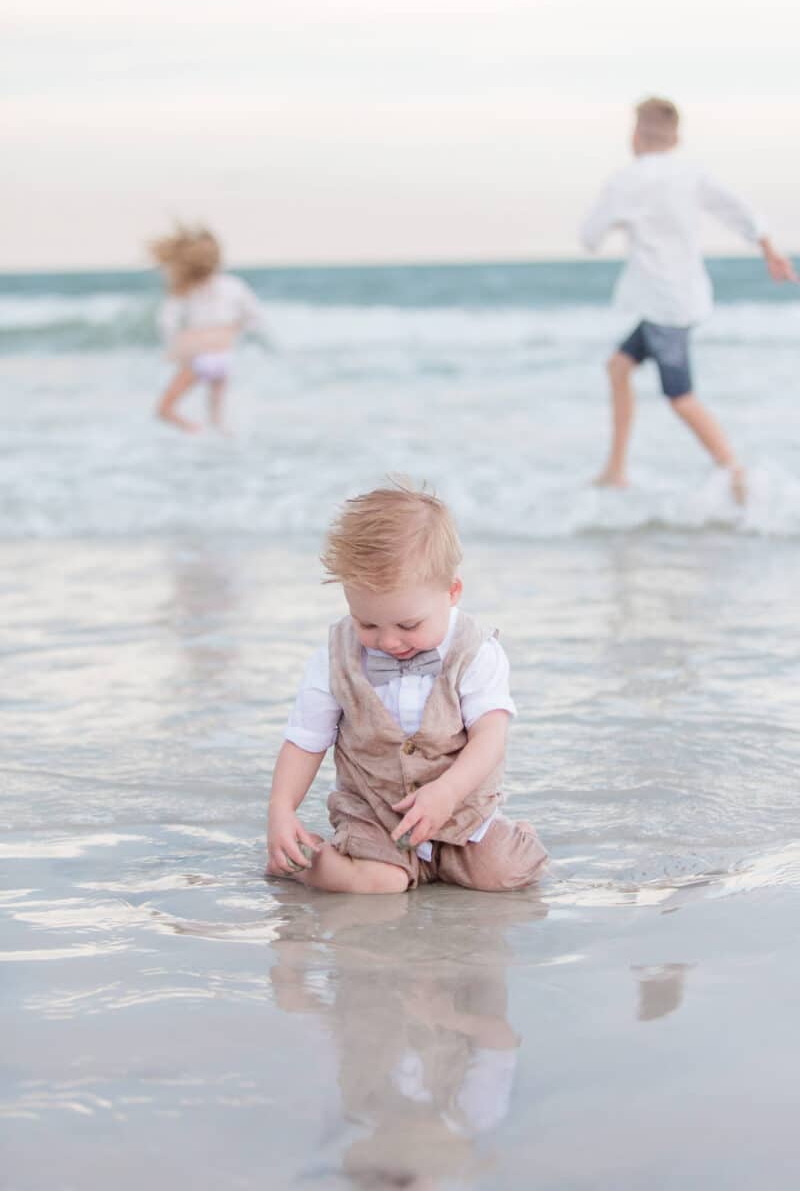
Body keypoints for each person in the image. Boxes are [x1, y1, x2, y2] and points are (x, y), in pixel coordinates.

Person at [266, 484, 548, 894]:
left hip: (459, 811)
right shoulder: (334, 659)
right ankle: (302, 863)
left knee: (504, 874)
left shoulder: (477, 653)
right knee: (383, 883)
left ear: (452, 592)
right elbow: (305, 741)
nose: (389, 642)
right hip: (375, 815)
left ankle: (506, 835)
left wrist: (448, 792)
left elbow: (491, 737)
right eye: (366, 624)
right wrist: (281, 808)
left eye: (408, 626)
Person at [581, 96, 797, 502]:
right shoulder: (691, 174)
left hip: (664, 304)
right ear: (675, 136)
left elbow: (589, 237)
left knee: (680, 397)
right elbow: (739, 211)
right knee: (618, 366)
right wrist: (769, 250)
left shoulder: (626, 181)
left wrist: (620, 217)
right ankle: (616, 469)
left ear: (637, 133)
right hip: (681, 299)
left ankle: (735, 473)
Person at [149, 225, 268, 433]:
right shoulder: (233, 285)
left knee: (164, 410)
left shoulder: (185, 290)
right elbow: (255, 318)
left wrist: (179, 349)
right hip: (224, 358)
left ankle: (194, 432)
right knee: (217, 420)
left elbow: (166, 323)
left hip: (198, 359)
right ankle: (219, 450)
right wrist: (235, 330)